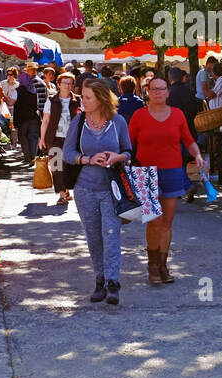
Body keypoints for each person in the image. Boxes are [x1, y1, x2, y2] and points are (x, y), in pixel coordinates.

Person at [63, 80, 133, 306]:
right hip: (85, 187)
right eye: (82, 96)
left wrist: (117, 157)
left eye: (88, 97)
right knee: (93, 237)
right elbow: (67, 153)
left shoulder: (118, 121)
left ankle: (113, 283)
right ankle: (100, 280)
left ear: (102, 98)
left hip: (112, 187)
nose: (83, 101)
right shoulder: (79, 121)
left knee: (111, 235)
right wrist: (87, 159)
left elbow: (128, 151)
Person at [129, 76, 205, 282]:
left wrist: (197, 154)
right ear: (147, 92)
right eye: (154, 89)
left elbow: (188, 140)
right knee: (154, 221)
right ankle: (152, 266)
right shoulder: (139, 116)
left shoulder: (178, 115)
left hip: (172, 171)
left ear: (168, 91)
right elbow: (128, 145)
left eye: (162, 89)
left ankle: (163, 265)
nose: (158, 92)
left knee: (167, 221)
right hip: (145, 174)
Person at [41, 71, 82, 205]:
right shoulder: (51, 100)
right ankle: (62, 194)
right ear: (58, 84)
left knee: (69, 166)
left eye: (70, 83)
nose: (67, 86)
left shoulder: (78, 100)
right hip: (54, 138)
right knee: (57, 166)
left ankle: (66, 188)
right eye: (65, 83)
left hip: (73, 139)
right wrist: (42, 139)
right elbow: (45, 120)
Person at [13, 64, 43, 163]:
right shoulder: (40, 84)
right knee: (33, 136)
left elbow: (13, 102)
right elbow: (41, 101)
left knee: (23, 136)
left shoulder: (19, 89)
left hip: (23, 117)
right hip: (35, 115)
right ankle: (33, 157)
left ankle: (27, 157)